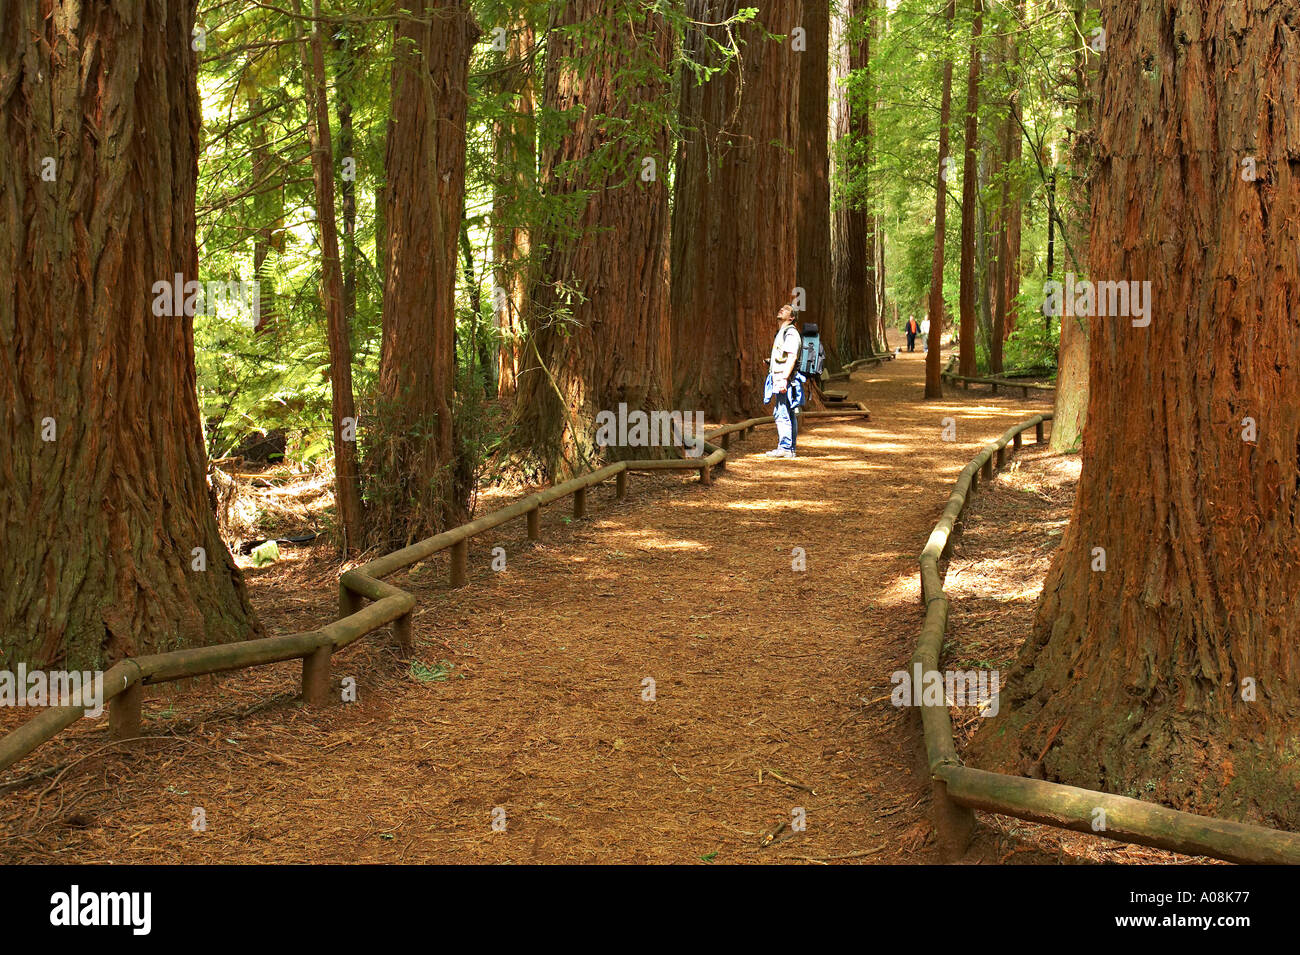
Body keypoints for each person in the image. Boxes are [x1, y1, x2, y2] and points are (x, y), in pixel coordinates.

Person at [764, 305, 804, 459]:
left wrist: (783, 379)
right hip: (782, 377)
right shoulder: (783, 332)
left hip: (784, 379)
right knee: (787, 412)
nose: (781, 309)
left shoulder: (791, 333)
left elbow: (792, 356)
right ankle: (789, 448)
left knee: (782, 412)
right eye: (780, 308)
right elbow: (785, 356)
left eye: (786, 309)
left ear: (792, 317)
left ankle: (785, 448)